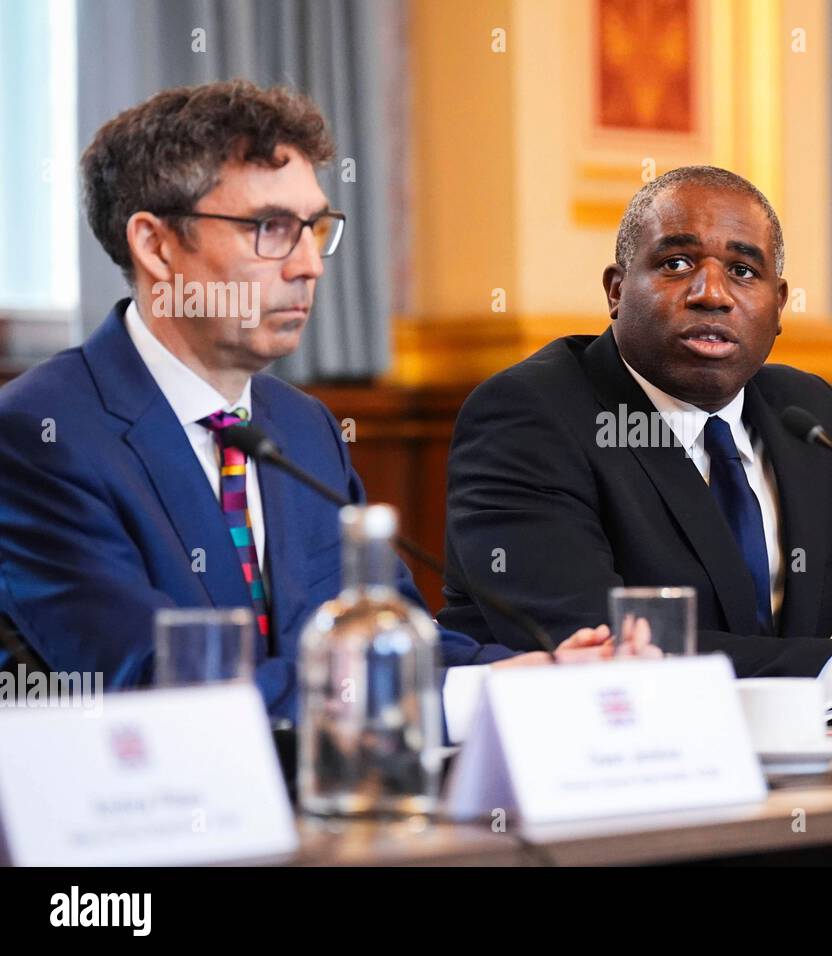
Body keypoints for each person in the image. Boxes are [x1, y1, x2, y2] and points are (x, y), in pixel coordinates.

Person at [0, 80, 605, 720]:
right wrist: (464, 698)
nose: (309, 265)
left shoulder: (302, 426)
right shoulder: (43, 434)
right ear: (156, 245)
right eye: (270, 229)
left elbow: (386, 644)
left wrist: (541, 677)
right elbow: (167, 690)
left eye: (314, 228)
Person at [439, 165, 832, 710]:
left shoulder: (809, 415)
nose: (712, 293)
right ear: (617, 291)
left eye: (743, 271)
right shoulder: (531, 414)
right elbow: (593, 651)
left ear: (778, 306)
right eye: (675, 263)